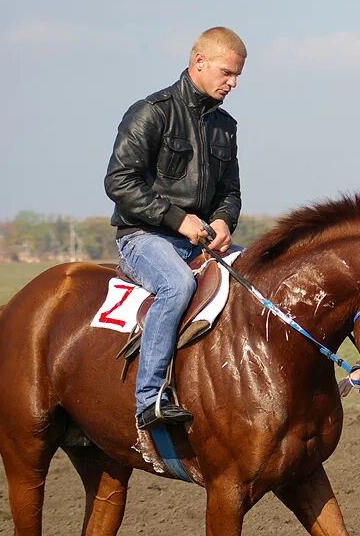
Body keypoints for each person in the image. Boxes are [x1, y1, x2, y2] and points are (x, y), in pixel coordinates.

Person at [104, 27, 246, 430]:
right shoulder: (152, 111)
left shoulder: (226, 126)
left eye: (238, 76)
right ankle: (149, 399)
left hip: (200, 242)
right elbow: (119, 182)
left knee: (257, 278)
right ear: (199, 62)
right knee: (177, 286)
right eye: (227, 73)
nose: (232, 83)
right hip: (143, 238)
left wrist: (223, 219)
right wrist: (177, 219)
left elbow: (230, 192)